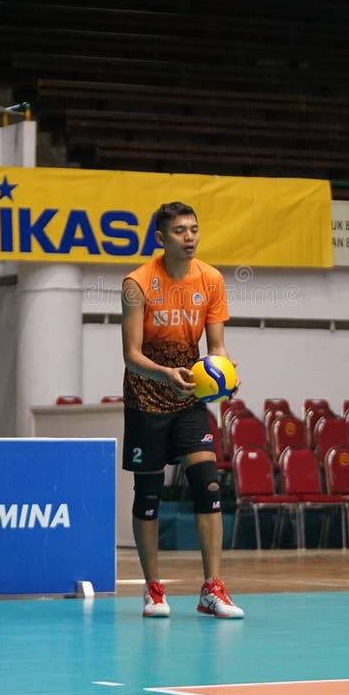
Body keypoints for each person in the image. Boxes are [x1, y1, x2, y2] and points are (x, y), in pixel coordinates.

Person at [121, 201, 243, 619]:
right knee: (148, 495)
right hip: (145, 398)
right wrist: (165, 375)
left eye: (193, 229)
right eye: (179, 231)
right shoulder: (137, 284)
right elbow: (132, 355)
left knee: (208, 484)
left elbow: (216, 347)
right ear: (161, 238)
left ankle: (212, 588)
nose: (189, 237)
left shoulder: (210, 279)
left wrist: (225, 374)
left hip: (189, 397)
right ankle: (153, 590)